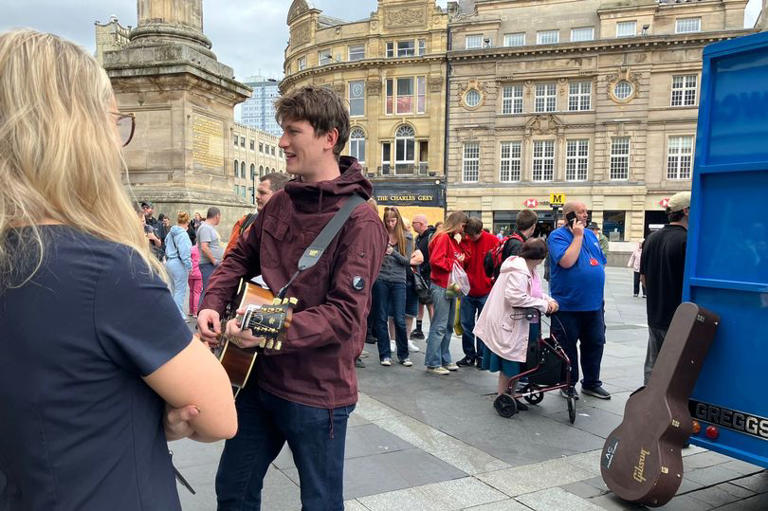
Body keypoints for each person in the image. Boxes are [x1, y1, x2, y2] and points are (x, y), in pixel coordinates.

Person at [0, 30, 237, 511]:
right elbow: (218, 417)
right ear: (76, 134)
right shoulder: (103, 267)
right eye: (114, 122)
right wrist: (160, 409)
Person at [197, 85, 387, 511]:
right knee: (234, 488)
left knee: (320, 502)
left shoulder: (361, 220)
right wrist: (211, 302)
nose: (282, 142)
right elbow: (238, 259)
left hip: (318, 392)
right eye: (282, 131)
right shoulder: (280, 202)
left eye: (292, 131)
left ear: (329, 137)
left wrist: (257, 328)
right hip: (257, 379)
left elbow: (343, 316)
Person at [474, 239, 558, 413]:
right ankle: (503, 396)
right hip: (509, 321)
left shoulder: (528, 268)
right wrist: (543, 305)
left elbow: (534, 293)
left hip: (521, 322)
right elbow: (516, 297)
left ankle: (510, 395)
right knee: (509, 362)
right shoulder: (519, 271)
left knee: (517, 361)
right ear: (540, 257)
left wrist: (548, 300)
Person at [547, 201, 611, 400]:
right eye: (580, 212)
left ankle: (591, 382)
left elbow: (601, 261)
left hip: (593, 304)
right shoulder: (557, 236)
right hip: (567, 305)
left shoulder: (591, 235)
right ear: (569, 216)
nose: (585, 215)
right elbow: (566, 261)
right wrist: (577, 236)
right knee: (566, 346)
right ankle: (567, 383)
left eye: (586, 211)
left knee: (595, 343)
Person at [640, 191, 690, 384]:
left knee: (653, 366)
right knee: (676, 370)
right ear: (686, 211)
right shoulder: (687, 241)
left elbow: (643, 278)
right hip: (679, 316)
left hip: (654, 314)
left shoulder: (651, 239)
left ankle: (648, 404)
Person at [424, 211, 469, 375]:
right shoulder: (443, 237)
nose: (464, 229)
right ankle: (433, 362)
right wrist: (455, 261)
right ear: (457, 223)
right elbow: (436, 260)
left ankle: (443, 358)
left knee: (448, 324)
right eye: (463, 226)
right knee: (441, 324)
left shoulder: (449, 238)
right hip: (442, 284)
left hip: (448, 283)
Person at [373, 207, 415, 367]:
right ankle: (384, 355)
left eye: (393, 220)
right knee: (381, 318)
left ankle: (403, 355)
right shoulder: (380, 235)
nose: (390, 224)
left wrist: (392, 252)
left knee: (399, 319)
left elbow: (407, 261)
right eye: (388, 221)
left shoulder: (407, 237)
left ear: (397, 220)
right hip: (381, 279)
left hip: (399, 280)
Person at [457, 217, 499, 367]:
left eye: (474, 235)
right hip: (468, 290)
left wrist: (492, 282)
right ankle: (469, 355)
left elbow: (498, 264)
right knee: (466, 325)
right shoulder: (465, 240)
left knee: (482, 327)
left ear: (480, 231)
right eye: (469, 235)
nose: (472, 238)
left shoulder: (493, 241)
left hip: (485, 290)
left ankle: (481, 356)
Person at [224, 172, 291, 255]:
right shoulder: (245, 222)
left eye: (262, 193)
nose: (257, 196)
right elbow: (230, 257)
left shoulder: (294, 227)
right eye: (258, 192)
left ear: (279, 195)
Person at [411, 214, 436, 339]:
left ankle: (433, 330)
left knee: (430, 303)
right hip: (419, 274)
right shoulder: (418, 238)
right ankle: (419, 329)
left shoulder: (431, 236)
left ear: (420, 223)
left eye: (413, 223)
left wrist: (426, 268)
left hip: (429, 274)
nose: (412, 225)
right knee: (420, 303)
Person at [165, 211, 193, 319]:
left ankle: (172, 313)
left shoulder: (171, 232)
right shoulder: (183, 235)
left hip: (170, 262)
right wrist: (189, 266)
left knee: (174, 289)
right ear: (187, 222)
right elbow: (185, 253)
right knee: (180, 290)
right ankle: (178, 315)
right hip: (178, 263)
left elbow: (166, 244)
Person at [197, 206, 223, 307]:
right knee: (207, 290)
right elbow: (204, 247)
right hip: (209, 265)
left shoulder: (208, 228)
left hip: (210, 264)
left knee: (210, 290)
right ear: (217, 216)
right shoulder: (205, 228)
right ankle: (201, 314)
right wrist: (214, 261)